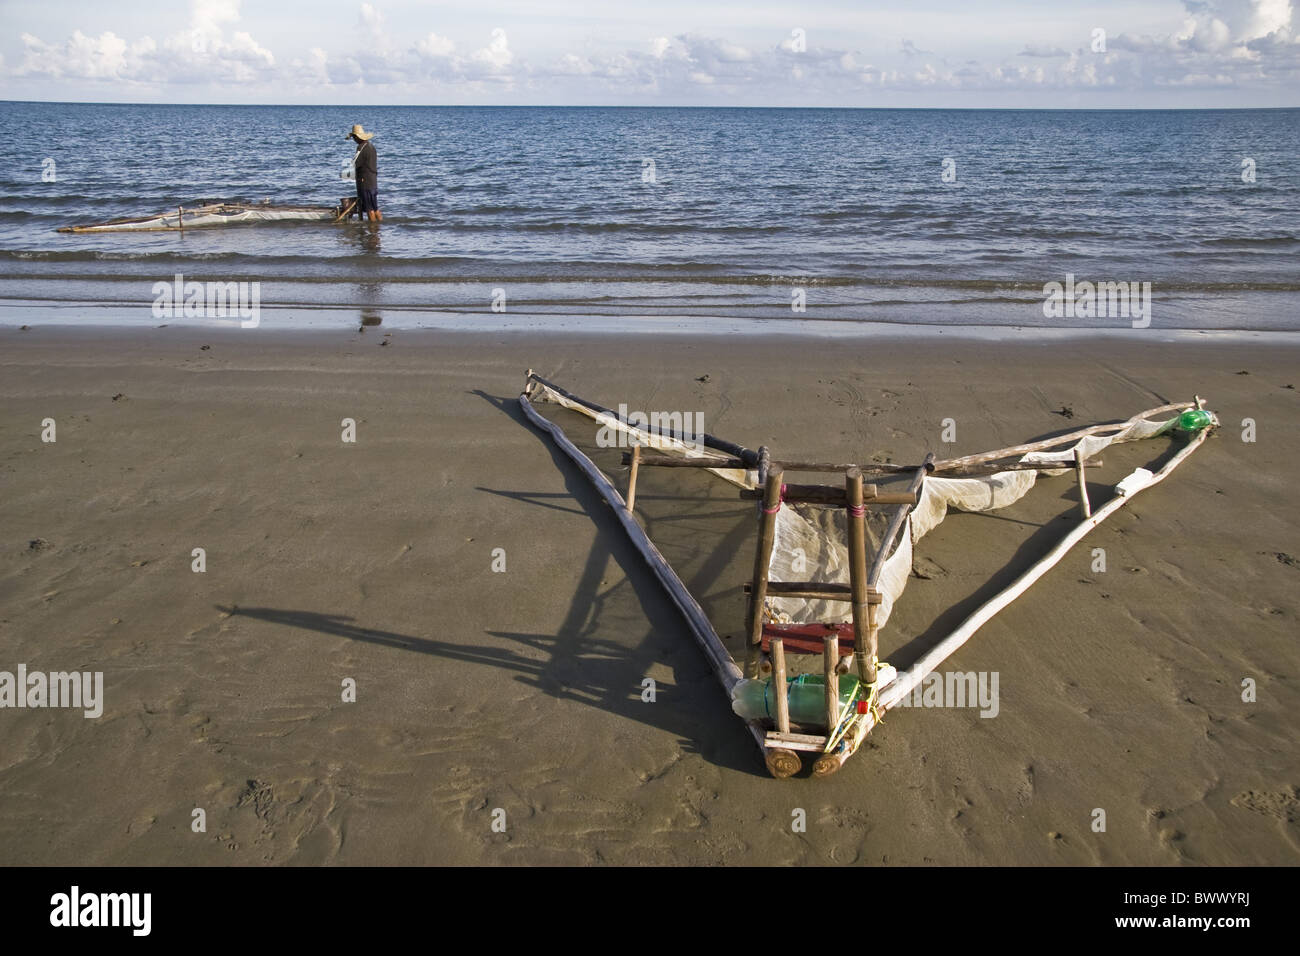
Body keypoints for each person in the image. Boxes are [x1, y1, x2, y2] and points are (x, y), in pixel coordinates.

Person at [347, 124, 381, 222]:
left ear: (357, 137)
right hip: (373, 180)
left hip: (365, 182)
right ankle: (378, 227)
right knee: (375, 208)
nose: (353, 139)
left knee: (369, 209)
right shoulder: (371, 147)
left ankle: (373, 230)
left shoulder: (361, 148)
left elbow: (355, 164)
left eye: (353, 137)